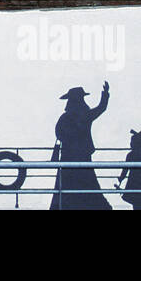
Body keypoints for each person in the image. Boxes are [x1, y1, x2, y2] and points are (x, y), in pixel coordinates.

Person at [50, 81, 112, 210]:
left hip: (67, 159)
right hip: (83, 158)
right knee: (89, 188)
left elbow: (59, 133)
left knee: (65, 191)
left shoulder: (65, 117)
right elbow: (101, 107)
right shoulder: (85, 115)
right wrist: (105, 94)